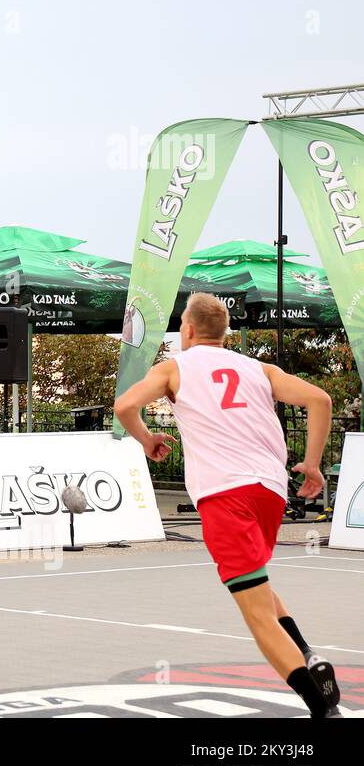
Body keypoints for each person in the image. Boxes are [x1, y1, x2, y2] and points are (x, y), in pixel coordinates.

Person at [115, 292, 342, 718]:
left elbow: (125, 405)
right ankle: (307, 654)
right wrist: (311, 464)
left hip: (225, 494)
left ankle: (321, 710)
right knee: (257, 585)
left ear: (187, 329)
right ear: (225, 333)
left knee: (255, 617)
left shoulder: (174, 368)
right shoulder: (259, 368)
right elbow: (321, 400)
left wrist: (148, 441)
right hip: (270, 492)